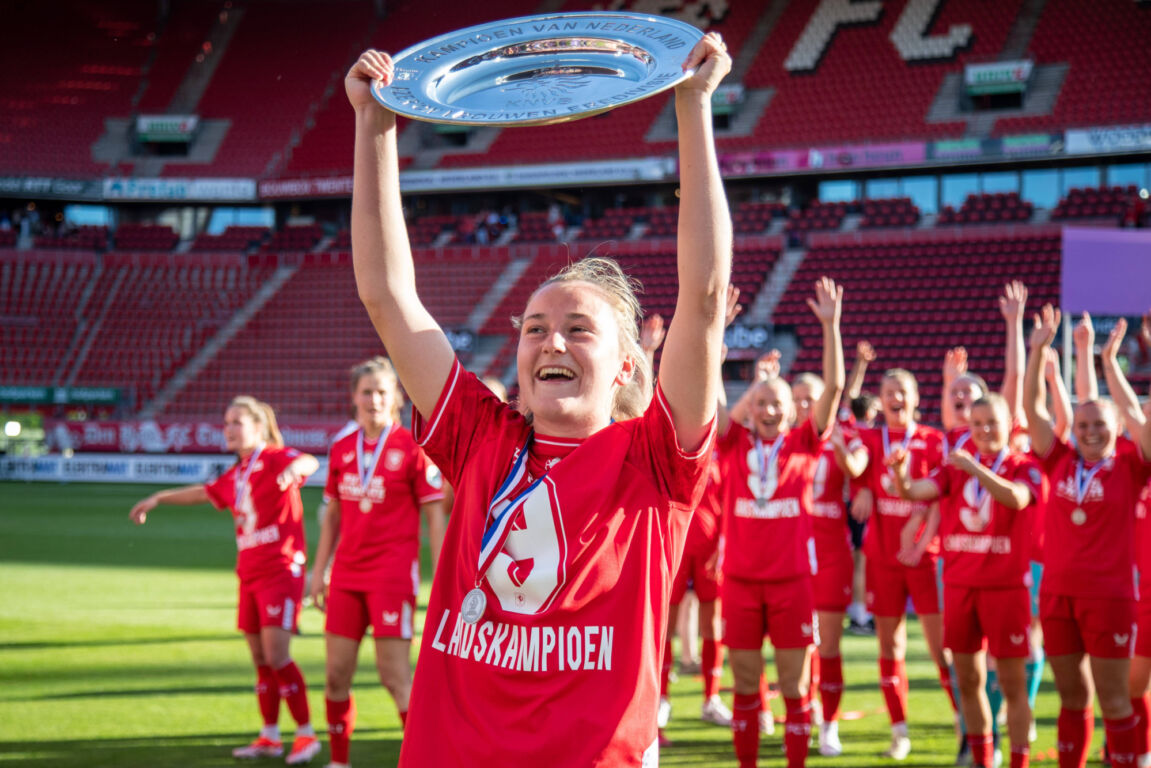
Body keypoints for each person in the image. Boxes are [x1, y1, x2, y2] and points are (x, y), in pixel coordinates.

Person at [345, 31, 733, 765]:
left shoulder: (657, 460)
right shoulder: (478, 438)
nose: (551, 343)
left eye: (577, 330)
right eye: (534, 329)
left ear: (626, 366)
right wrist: (375, 126)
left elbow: (705, 300)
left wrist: (692, 103)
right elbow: (388, 298)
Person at [128, 396, 321, 765]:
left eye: (236, 422)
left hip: (281, 570)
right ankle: (269, 737)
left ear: (259, 427)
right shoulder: (238, 472)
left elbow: (308, 460)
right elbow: (204, 492)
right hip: (249, 573)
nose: (228, 429)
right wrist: (158, 498)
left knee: (278, 655)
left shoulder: (275, 458)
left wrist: (296, 468)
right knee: (260, 659)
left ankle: (306, 734)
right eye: (226, 422)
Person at [718, 276, 845, 768]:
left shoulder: (804, 445)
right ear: (752, 407)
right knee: (747, 688)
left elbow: (833, 387)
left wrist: (830, 327)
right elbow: (708, 390)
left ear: (793, 413)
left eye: (779, 404)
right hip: (742, 583)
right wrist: (716, 335)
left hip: (793, 583)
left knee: (794, 688)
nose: (769, 409)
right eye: (762, 402)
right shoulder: (733, 442)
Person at [1024, 304, 1151, 768]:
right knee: (1072, 699)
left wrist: (1112, 362)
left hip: (1112, 598)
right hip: (1057, 596)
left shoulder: (1133, 466)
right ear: (1073, 430)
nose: (1091, 431)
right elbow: (1033, 409)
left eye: (1101, 425)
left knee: (1115, 702)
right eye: (1083, 426)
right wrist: (1036, 352)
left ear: (1118, 430)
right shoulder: (1058, 460)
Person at [888, 393, 1044, 768]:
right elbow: (913, 492)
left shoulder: (1023, 466)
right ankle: (982, 759)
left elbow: (1017, 499)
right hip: (959, 587)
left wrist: (976, 469)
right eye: (977, 424)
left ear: (1010, 424)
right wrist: (899, 472)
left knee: (1011, 684)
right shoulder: (955, 467)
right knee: (967, 682)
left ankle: (1018, 761)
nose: (985, 430)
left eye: (992, 422)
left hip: (1005, 589)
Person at [308, 357, 447, 768]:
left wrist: (441, 576)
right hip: (347, 576)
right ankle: (339, 761)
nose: (374, 400)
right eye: (366, 392)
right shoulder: (341, 448)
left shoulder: (413, 447)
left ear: (397, 399)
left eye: (382, 392)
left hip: (391, 577)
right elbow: (331, 515)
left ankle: (424, 760)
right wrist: (319, 571)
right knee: (336, 675)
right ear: (354, 397)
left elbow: (435, 515)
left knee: (395, 678)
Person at [840, 368, 952, 760]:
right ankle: (899, 731)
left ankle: (964, 721)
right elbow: (854, 465)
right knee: (890, 646)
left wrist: (921, 543)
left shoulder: (933, 440)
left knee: (943, 650)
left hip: (924, 557)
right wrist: (860, 488)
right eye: (888, 391)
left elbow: (941, 497)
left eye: (902, 390)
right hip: (883, 557)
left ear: (917, 398)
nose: (895, 397)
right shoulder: (871, 438)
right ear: (881, 400)